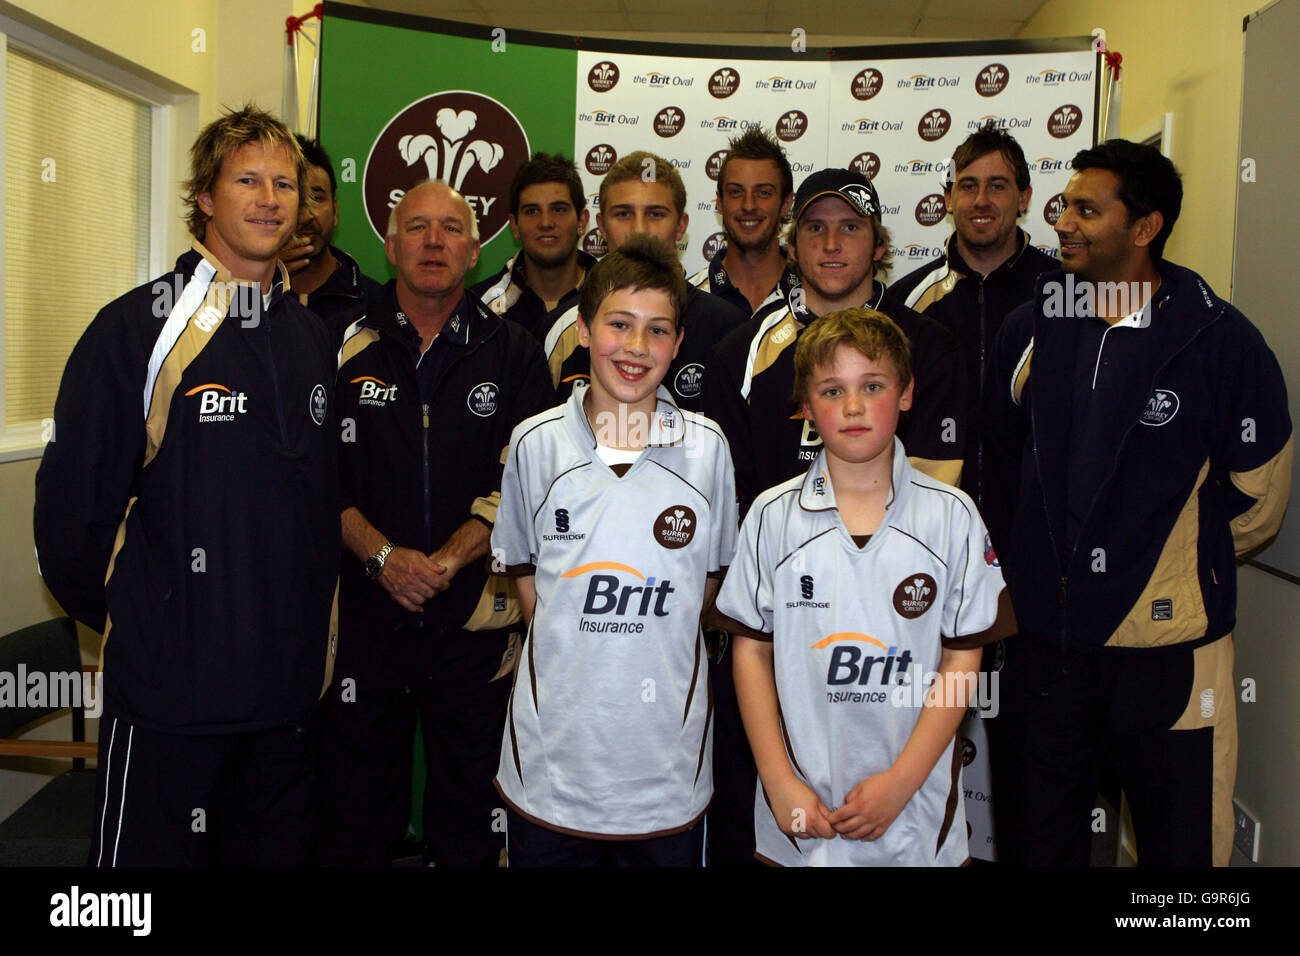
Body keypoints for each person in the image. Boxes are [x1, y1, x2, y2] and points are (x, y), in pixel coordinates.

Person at [34, 105, 339, 866]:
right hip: (172, 702)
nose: (270, 198)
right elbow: (72, 524)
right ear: (205, 197)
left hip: (287, 703)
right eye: (247, 180)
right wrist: (151, 631)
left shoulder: (308, 336)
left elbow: (314, 510)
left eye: (285, 184)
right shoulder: (137, 330)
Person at [984, 140, 1292, 867]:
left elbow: (1259, 500)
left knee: (1181, 858)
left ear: (1145, 227)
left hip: (1170, 659)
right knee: (1040, 843)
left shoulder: (1220, 342)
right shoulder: (1030, 328)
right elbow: (1002, 469)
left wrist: (1173, 568)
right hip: (1044, 652)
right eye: (1064, 205)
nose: (1064, 222)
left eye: (1088, 209)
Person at [713, 308, 1013, 865]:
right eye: (831, 390)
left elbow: (962, 662)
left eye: (871, 386)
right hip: (801, 817)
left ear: (905, 394)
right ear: (805, 406)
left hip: (917, 817)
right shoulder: (770, 518)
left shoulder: (952, 517)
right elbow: (751, 655)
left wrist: (902, 780)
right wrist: (780, 783)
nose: (852, 407)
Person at [322, 179, 554, 867]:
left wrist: (447, 562)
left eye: (450, 228)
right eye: (416, 227)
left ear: (476, 250)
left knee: (472, 824)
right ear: (390, 245)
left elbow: (525, 480)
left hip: (474, 628)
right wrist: (382, 558)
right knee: (356, 822)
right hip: (364, 623)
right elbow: (313, 477)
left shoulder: (513, 352)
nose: (433, 241)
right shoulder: (336, 344)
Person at [491, 236, 738, 866]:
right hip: (551, 769)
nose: (635, 348)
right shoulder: (533, 443)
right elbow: (525, 579)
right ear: (581, 329)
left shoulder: (708, 449)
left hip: (666, 775)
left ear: (679, 344)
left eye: (657, 331)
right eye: (618, 325)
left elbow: (707, 589)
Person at [890, 121, 1057, 542]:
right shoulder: (903, 301)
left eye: (997, 186)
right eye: (967, 186)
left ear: (1024, 198)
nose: (981, 201)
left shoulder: (1066, 297)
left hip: (1040, 532)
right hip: (929, 531)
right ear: (947, 199)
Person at [543, 150, 747, 411]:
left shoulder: (728, 327)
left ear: (681, 226)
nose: (639, 229)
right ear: (602, 226)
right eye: (623, 214)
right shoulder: (561, 328)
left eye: (655, 214)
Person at [471, 152, 597, 340]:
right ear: (514, 225)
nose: (545, 222)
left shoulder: (612, 298)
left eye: (559, 209)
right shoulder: (477, 307)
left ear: (582, 221)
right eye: (532, 211)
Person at [279, 134, 384, 326]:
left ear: (335, 210)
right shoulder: (248, 291)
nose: (306, 215)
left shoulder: (373, 300)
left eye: (317, 199)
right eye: (294, 197)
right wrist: (264, 280)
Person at [688, 126, 794, 315]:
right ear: (720, 202)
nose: (749, 205)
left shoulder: (810, 296)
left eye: (763, 192)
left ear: (786, 204)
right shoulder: (686, 299)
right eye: (736, 192)